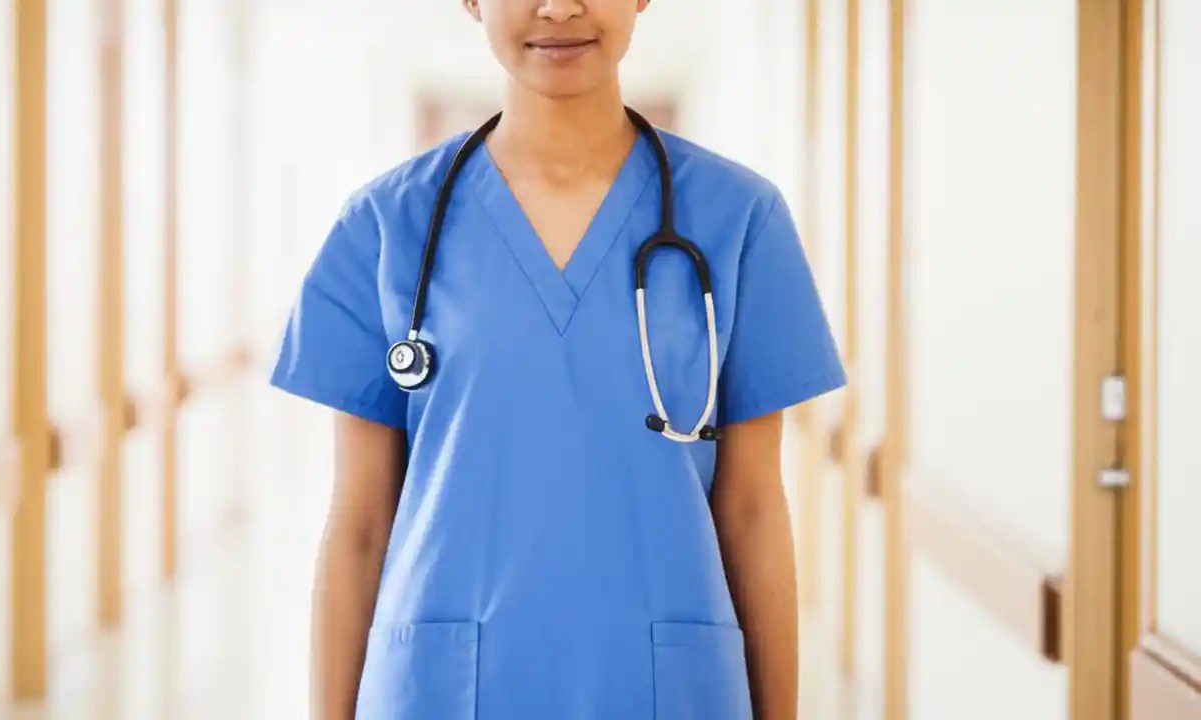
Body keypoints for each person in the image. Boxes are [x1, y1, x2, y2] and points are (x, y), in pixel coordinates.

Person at [268, 1, 846, 717]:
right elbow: (358, 523)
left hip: (666, 689)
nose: (561, 7)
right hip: (441, 691)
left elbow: (755, 508)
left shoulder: (739, 219)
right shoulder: (385, 226)